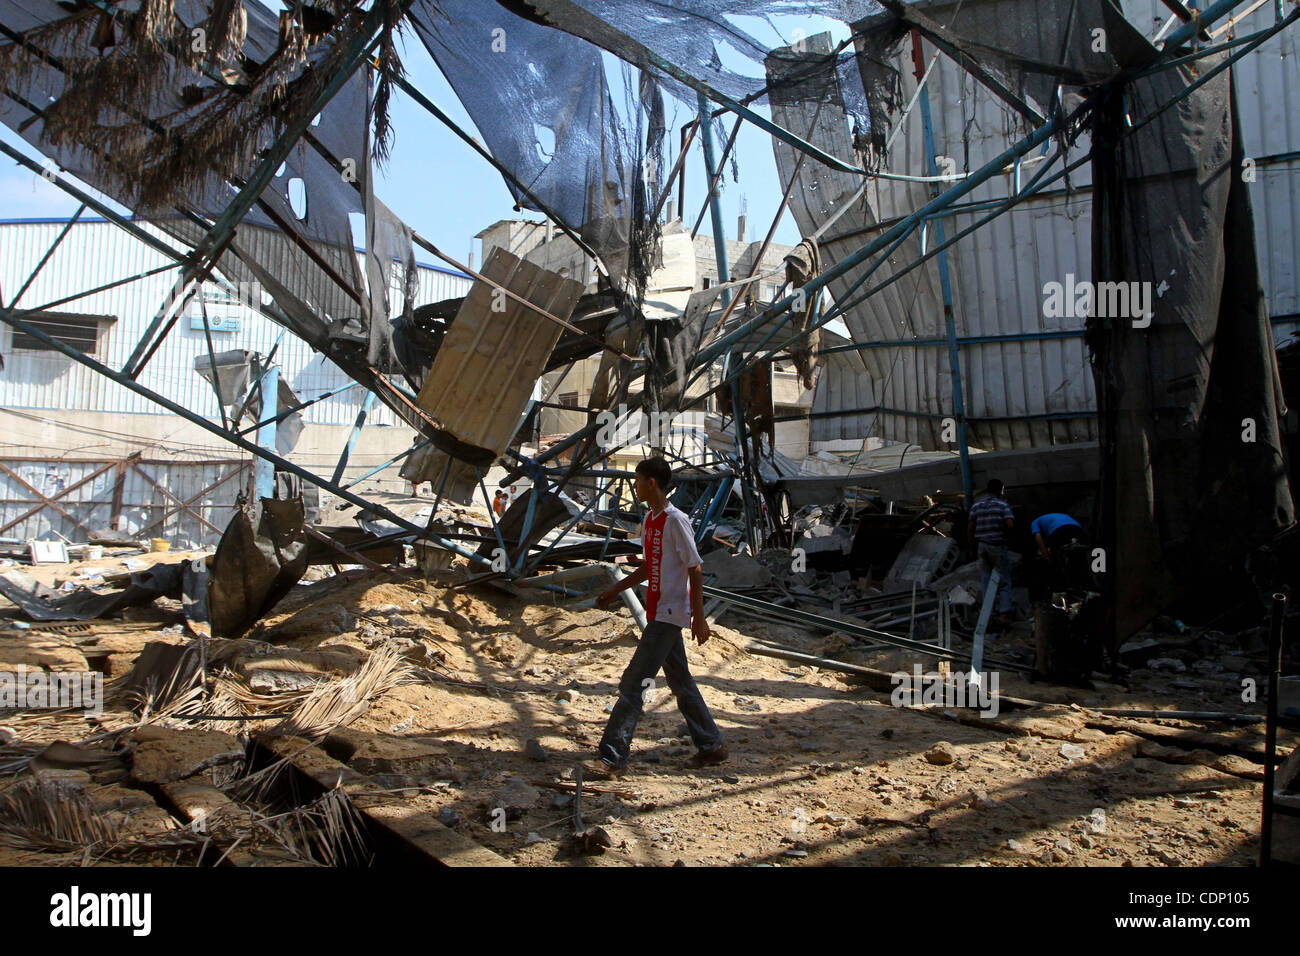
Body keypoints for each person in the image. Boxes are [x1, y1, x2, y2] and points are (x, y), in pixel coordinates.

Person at [587, 456, 726, 778]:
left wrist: (699, 617)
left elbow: (695, 567)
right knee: (681, 681)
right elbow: (650, 566)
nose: (634, 486)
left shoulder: (676, 521)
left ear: (652, 483)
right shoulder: (651, 520)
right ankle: (712, 745)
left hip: (670, 612)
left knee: (634, 683)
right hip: (657, 609)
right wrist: (615, 589)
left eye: (637, 480)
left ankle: (611, 757)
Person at [966, 478, 1015, 627]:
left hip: (982, 545)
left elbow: (970, 529)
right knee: (1004, 580)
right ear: (1000, 490)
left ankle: (989, 614)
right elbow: (1010, 525)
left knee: (986, 579)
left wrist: (971, 548)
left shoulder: (977, 506)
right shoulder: (1002, 505)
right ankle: (1004, 613)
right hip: (997, 545)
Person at [1030, 512, 1090, 595]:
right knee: (1080, 556)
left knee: (1057, 559)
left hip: (1057, 530)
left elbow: (1038, 537)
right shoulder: (1059, 515)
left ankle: (1063, 586)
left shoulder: (1034, 522)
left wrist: (1045, 554)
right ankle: (1087, 582)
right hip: (1076, 528)